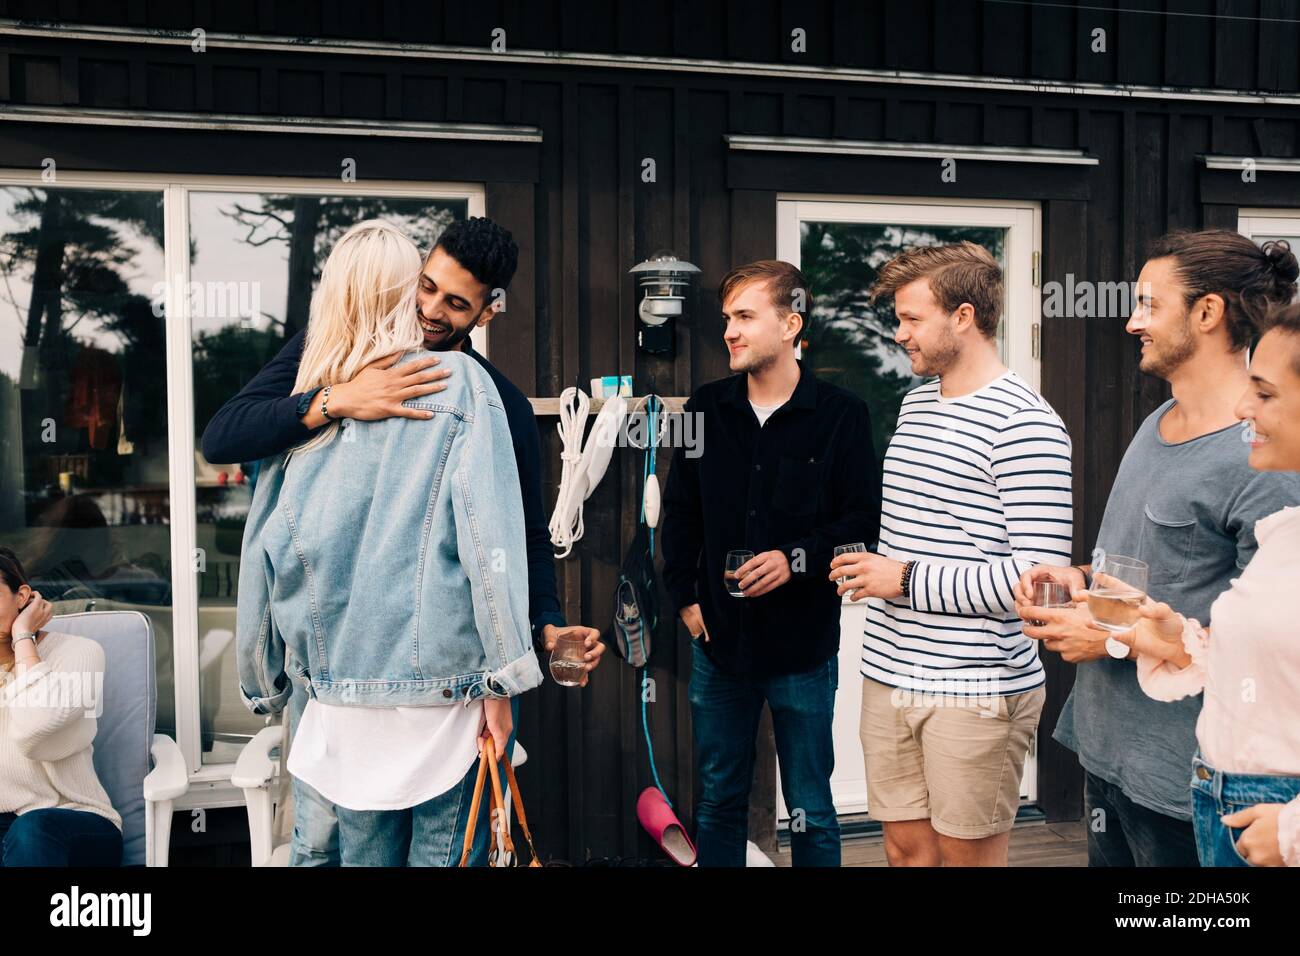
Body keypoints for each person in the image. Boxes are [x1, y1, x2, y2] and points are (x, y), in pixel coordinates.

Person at [205, 215, 604, 864]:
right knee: (321, 844)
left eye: (455, 302)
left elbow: (514, 537)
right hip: (335, 676)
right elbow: (225, 437)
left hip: (436, 679)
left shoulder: (488, 398)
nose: (429, 310)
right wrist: (337, 399)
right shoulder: (327, 358)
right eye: (424, 287)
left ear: (486, 313)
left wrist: (544, 633)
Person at [1016, 231, 1300, 866]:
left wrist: (1115, 639)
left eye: (1148, 304)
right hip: (1107, 753)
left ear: (1206, 314)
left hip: (1186, 782)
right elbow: (1150, 562)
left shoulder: (1268, 460)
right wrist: (1081, 578)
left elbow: (1268, 649)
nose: (1130, 320)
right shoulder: (1155, 424)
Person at [833, 242, 1072, 867]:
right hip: (888, 670)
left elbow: (1038, 581)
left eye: (912, 319)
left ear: (963, 317)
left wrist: (904, 578)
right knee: (905, 853)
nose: (899, 333)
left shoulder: (1027, 423)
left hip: (975, 687)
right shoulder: (917, 403)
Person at [661, 259, 880, 867]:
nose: (729, 331)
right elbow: (679, 514)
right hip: (719, 648)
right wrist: (686, 600)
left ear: (790, 324)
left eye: (745, 317)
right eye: (727, 319)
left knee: (810, 805)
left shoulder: (842, 415)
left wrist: (795, 560)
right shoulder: (704, 408)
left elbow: (862, 524)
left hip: (802, 650)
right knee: (719, 801)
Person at [1117, 301, 1300, 867]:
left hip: (1275, 819)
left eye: (1265, 393)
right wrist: (1178, 641)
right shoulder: (1286, 533)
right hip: (1222, 802)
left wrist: (1293, 831)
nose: (1244, 406)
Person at [0, 547, 123, 866]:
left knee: (33, 829)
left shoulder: (81, 654)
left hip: (72, 823)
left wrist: (22, 637)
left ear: (21, 595)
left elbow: (34, 729)